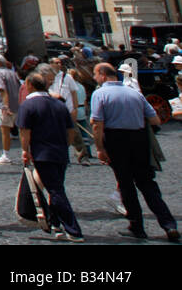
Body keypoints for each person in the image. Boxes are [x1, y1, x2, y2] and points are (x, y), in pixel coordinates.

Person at [89, 62, 179, 242]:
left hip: (116, 140)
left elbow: (97, 125)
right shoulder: (135, 94)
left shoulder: (99, 94)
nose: (94, 78)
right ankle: (168, 224)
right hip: (139, 140)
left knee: (126, 185)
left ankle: (137, 226)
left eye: (95, 74)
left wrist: (99, 148)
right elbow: (155, 120)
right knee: (148, 184)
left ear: (102, 75)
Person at [16, 72, 83, 241]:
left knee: (56, 190)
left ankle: (73, 230)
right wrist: (64, 145)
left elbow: (25, 132)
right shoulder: (59, 105)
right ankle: (56, 224)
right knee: (56, 188)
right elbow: (71, 131)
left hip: (42, 153)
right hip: (60, 153)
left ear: (30, 85)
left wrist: (25, 150)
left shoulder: (28, 105)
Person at [0, 55, 20, 164]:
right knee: (21, 130)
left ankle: (6, 155)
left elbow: (2, 90)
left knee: (5, 131)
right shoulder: (12, 73)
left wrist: (5, 106)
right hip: (17, 105)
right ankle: (27, 152)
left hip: (6, 106)